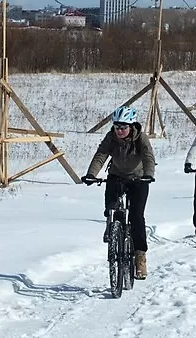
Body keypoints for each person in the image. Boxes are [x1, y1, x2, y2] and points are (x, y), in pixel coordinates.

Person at [81, 105, 156, 280]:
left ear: (131, 126)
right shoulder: (111, 138)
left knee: (137, 217)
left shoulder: (141, 138)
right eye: (116, 127)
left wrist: (148, 175)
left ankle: (140, 257)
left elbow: (148, 157)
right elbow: (101, 155)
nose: (119, 130)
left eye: (123, 127)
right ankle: (113, 227)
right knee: (111, 208)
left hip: (139, 179)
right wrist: (92, 174)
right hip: (117, 176)